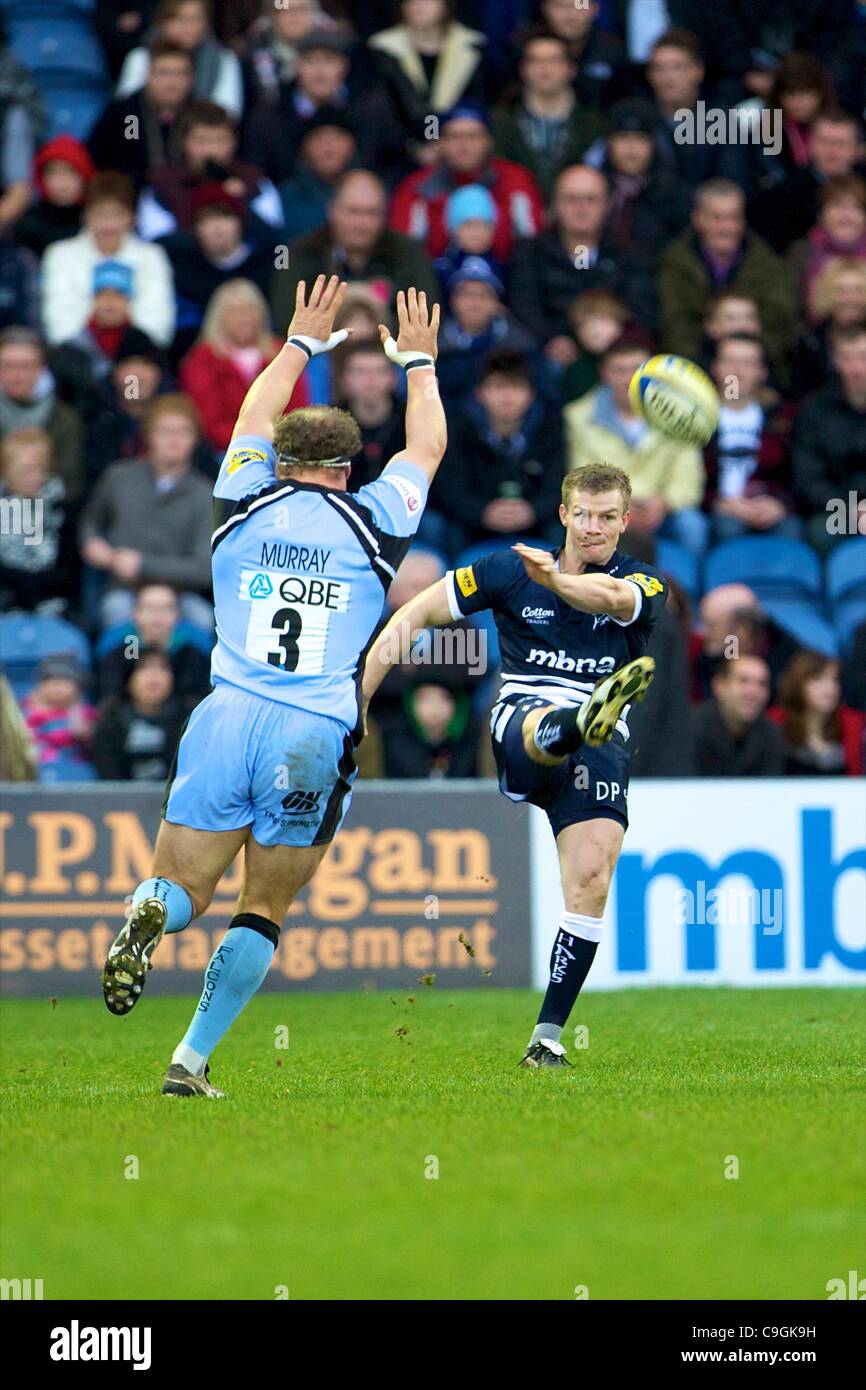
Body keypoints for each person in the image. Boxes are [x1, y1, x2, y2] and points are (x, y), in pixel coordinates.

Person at [100, 277, 447, 1100]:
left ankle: (150, 912)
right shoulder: (375, 522)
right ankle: (189, 1060)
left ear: (282, 459)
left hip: (225, 712)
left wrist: (298, 343)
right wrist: (420, 363)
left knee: (182, 884)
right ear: (347, 465)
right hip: (312, 728)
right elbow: (426, 450)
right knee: (262, 906)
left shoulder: (239, 498)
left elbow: (254, 417)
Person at [363, 459, 664, 1068]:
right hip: (524, 714)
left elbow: (603, 594)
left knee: (592, 879)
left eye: (607, 517)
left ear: (625, 521)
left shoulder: (643, 583)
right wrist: (359, 698)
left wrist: (554, 580)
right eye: (582, 514)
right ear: (562, 514)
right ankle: (569, 726)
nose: (593, 528)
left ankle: (545, 1040)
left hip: (600, 743)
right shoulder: (507, 568)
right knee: (535, 726)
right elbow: (417, 613)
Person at [79, 393, 214, 630]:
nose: (174, 439)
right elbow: (90, 522)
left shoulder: (206, 493)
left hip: (180, 595)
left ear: (195, 438)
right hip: (125, 591)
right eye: (165, 431)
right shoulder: (119, 476)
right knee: (116, 613)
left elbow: (205, 569)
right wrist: (92, 543)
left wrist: (142, 565)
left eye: (183, 431)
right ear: (149, 436)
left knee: (202, 621)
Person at [564, 336, 708, 557]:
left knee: (692, 524)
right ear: (604, 372)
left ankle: (685, 591)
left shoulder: (681, 414)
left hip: (663, 510)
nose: (629, 379)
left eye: (637, 369)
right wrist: (620, 508)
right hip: (603, 510)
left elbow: (688, 479)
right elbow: (581, 478)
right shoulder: (578, 416)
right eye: (619, 370)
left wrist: (663, 503)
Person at [508, 163, 656, 363]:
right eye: (571, 199)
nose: (581, 208)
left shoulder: (628, 253)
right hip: (552, 357)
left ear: (607, 205)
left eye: (591, 199)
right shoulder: (529, 252)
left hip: (616, 353)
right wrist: (551, 339)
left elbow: (642, 309)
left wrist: (618, 334)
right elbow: (524, 306)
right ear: (555, 205)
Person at [270, 170, 440, 334]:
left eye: (372, 213)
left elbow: (425, 320)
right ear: (332, 210)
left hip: (391, 355)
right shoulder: (302, 252)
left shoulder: (408, 253)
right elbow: (285, 320)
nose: (362, 223)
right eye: (354, 211)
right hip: (319, 356)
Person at [657, 178, 797, 371]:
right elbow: (674, 326)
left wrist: (745, 356)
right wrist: (711, 364)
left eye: (734, 218)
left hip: (757, 373)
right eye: (717, 218)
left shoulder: (766, 263)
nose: (727, 228)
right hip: (694, 372)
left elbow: (781, 325)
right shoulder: (674, 264)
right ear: (697, 219)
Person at [433, 349, 564, 549]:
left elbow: (559, 483)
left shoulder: (549, 428)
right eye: (498, 387)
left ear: (531, 394)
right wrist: (482, 512)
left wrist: (533, 511)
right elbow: (450, 487)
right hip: (473, 527)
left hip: (538, 525)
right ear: (480, 393)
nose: (507, 396)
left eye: (516, 387)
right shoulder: (459, 428)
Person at [390, 104, 545, 263]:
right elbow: (403, 253)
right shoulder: (417, 186)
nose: (464, 146)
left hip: (508, 280)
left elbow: (535, 248)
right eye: (455, 137)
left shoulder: (515, 180)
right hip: (434, 281)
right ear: (441, 143)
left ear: (488, 141)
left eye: (473, 136)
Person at [40, 172, 176, 349]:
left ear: (133, 218)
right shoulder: (60, 254)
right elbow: (58, 328)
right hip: (78, 358)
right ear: (85, 216)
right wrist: (95, 318)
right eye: (100, 214)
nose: (108, 224)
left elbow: (160, 327)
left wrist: (126, 316)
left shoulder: (152, 255)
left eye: (118, 214)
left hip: (138, 356)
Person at [179, 278, 308, 455]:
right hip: (225, 452)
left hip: (282, 450)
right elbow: (208, 421)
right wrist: (254, 444)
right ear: (219, 317)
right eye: (234, 311)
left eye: (250, 309)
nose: (244, 318)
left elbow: (297, 411)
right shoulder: (201, 360)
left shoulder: (283, 353)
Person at [138, 99, 284, 242]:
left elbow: (273, 236)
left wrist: (241, 201)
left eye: (219, 140)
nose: (211, 150)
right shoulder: (164, 183)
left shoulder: (255, 181)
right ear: (184, 143)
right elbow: (154, 239)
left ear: (234, 142)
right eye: (201, 141)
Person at [491, 28, 606, 201]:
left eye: (554, 60)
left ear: (571, 69)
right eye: (536, 61)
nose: (545, 68)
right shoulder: (500, 121)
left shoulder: (595, 123)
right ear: (523, 70)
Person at [704, 334, 799, 541]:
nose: (738, 371)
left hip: (771, 506)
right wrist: (719, 502)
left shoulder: (783, 417)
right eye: (730, 361)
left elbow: (797, 474)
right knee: (728, 528)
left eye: (748, 363)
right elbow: (692, 480)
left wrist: (780, 504)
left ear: (762, 372)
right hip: (719, 509)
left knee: (790, 529)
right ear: (716, 368)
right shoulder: (697, 417)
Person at [368, 0, 487, 147]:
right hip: (400, 150)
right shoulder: (381, 49)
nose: (418, 5)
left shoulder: (473, 47)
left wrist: (443, 143)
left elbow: (478, 102)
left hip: (461, 147)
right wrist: (415, 147)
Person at [792, 326, 866, 555]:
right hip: (837, 510)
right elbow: (808, 479)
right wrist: (852, 511)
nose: (856, 368)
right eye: (847, 358)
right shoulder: (814, 411)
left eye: (863, 358)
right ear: (836, 361)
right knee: (821, 532)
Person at [87, 40, 196, 191]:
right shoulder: (128, 114)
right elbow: (119, 156)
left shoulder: (200, 114)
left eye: (180, 73)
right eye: (164, 73)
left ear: (191, 78)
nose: (172, 82)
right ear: (148, 76)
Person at [115, 0, 243, 116]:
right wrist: (133, 138)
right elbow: (128, 115)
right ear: (162, 22)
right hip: (147, 134)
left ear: (207, 24)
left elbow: (229, 114)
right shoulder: (141, 58)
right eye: (178, 18)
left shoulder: (224, 60)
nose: (187, 26)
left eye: (195, 18)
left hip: (202, 136)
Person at [0, 328, 85, 501]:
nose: (17, 375)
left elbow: (72, 480)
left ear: (41, 369)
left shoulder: (66, 418)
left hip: (52, 516)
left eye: (26, 366)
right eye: (8, 365)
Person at [96, 582, 212, 706]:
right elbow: (110, 698)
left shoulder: (190, 653)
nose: (157, 615)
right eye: (149, 608)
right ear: (135, 613)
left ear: (177, 615)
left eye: (165, 608)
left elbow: (194, 700)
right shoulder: (128, 648)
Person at [92, 647, 189, 780]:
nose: (153, 675)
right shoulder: (111, 723)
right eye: (144, 668)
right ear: (128, 679)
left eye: (163, 668)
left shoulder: (189, 723)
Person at [769, 650, 865, 776]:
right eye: (818, 678)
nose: (830, 687)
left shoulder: (855, 726)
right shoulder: (773, 723)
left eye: (834, 679)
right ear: (798, 683)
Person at [691, 654, 786, 777]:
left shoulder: (772, 735)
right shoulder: (688, 729)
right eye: (743, 681)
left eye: (762, 684)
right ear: (719, 685)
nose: (753, 692)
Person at [13, 135, 95, 257]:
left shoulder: (97, 223)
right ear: (42, 178)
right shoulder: (27, 228)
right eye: (54, 172)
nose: (63, 181)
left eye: (70, 172)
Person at [20, 654, 97, 782]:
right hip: (35, 771)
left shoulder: (83, 713)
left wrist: (85, 733)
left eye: (65, 681)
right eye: (50, 680)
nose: (58, 686)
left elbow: (93, 741)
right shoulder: (24, 712)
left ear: (78, 686)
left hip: (74, 773)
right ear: (39, 685)